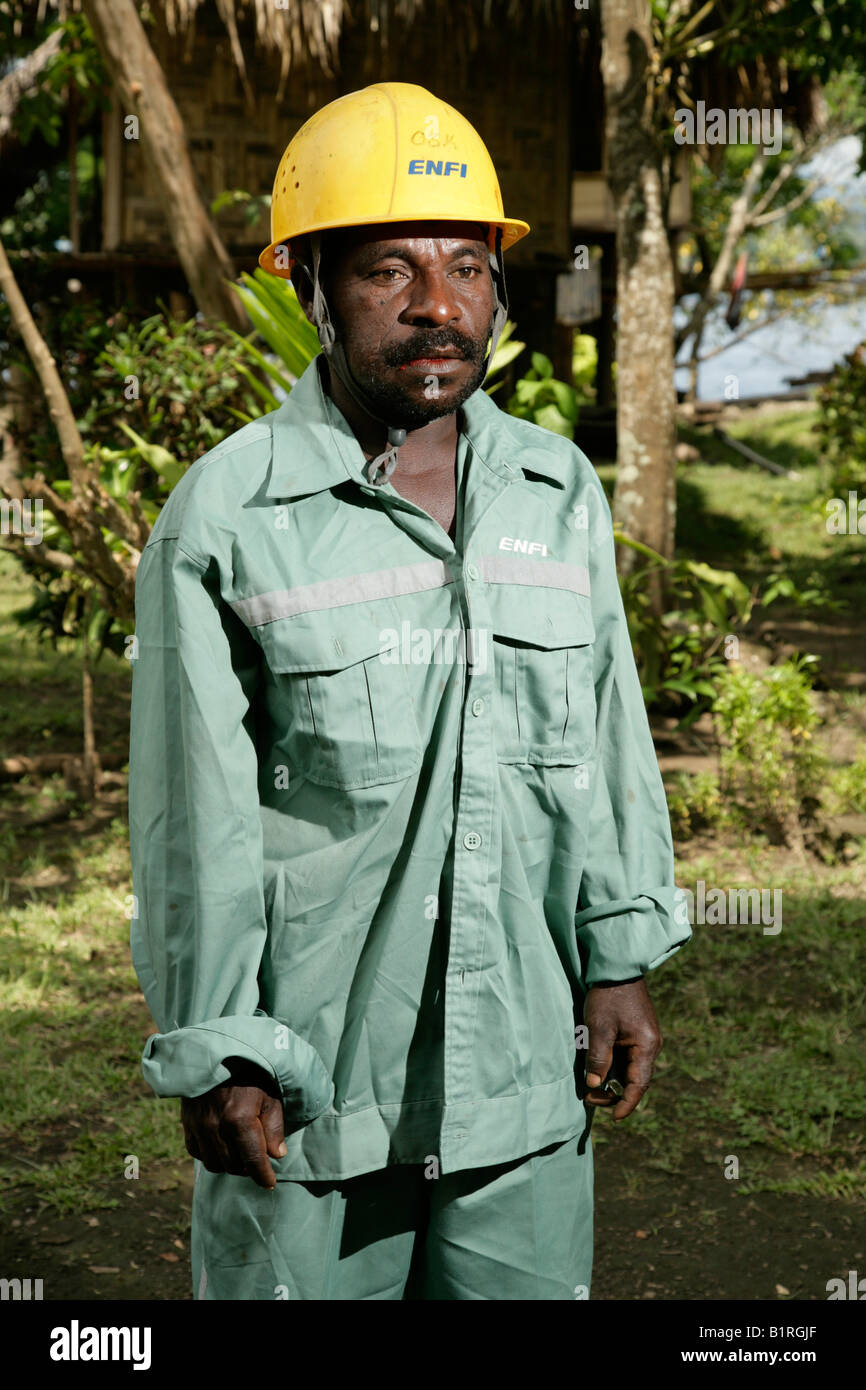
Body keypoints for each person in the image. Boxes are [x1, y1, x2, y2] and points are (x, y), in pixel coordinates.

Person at [128, 81, 691, 1302]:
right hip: (308, 1099)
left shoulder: (555, 491)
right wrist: (225, 1047)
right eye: (390, 268)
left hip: (524, 1085)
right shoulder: (225, 522)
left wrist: (615, 953)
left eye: (468, 267)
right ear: (309, 284)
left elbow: (601, 735)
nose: (440, 305)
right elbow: (193, 824)